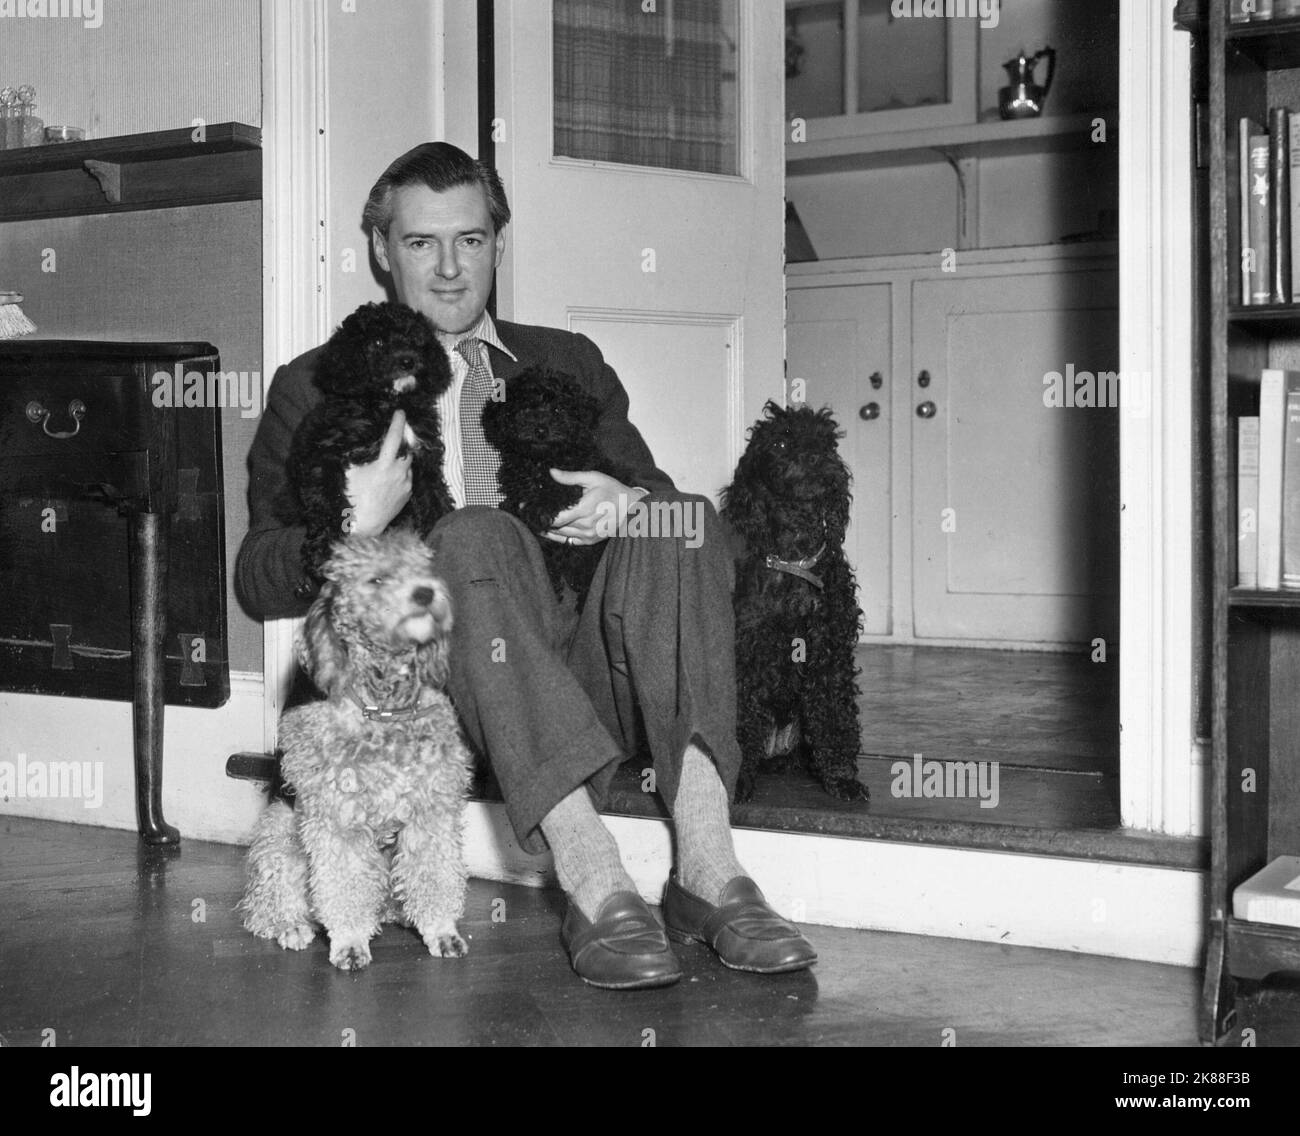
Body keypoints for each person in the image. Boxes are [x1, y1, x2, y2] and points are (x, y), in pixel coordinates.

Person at [236, 141, 816, 989]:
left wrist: (627, 498)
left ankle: (709, 869)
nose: (446, 269)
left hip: (575, 670)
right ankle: (594, 877)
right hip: (428, 694)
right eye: (421, 243)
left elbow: (659, 500)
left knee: (682, 519)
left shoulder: (564, 362)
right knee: (468, 536)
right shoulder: (315, 385)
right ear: (380, 251)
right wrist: (347, 527)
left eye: (469, 241)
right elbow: (256, 576)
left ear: (499, 247)